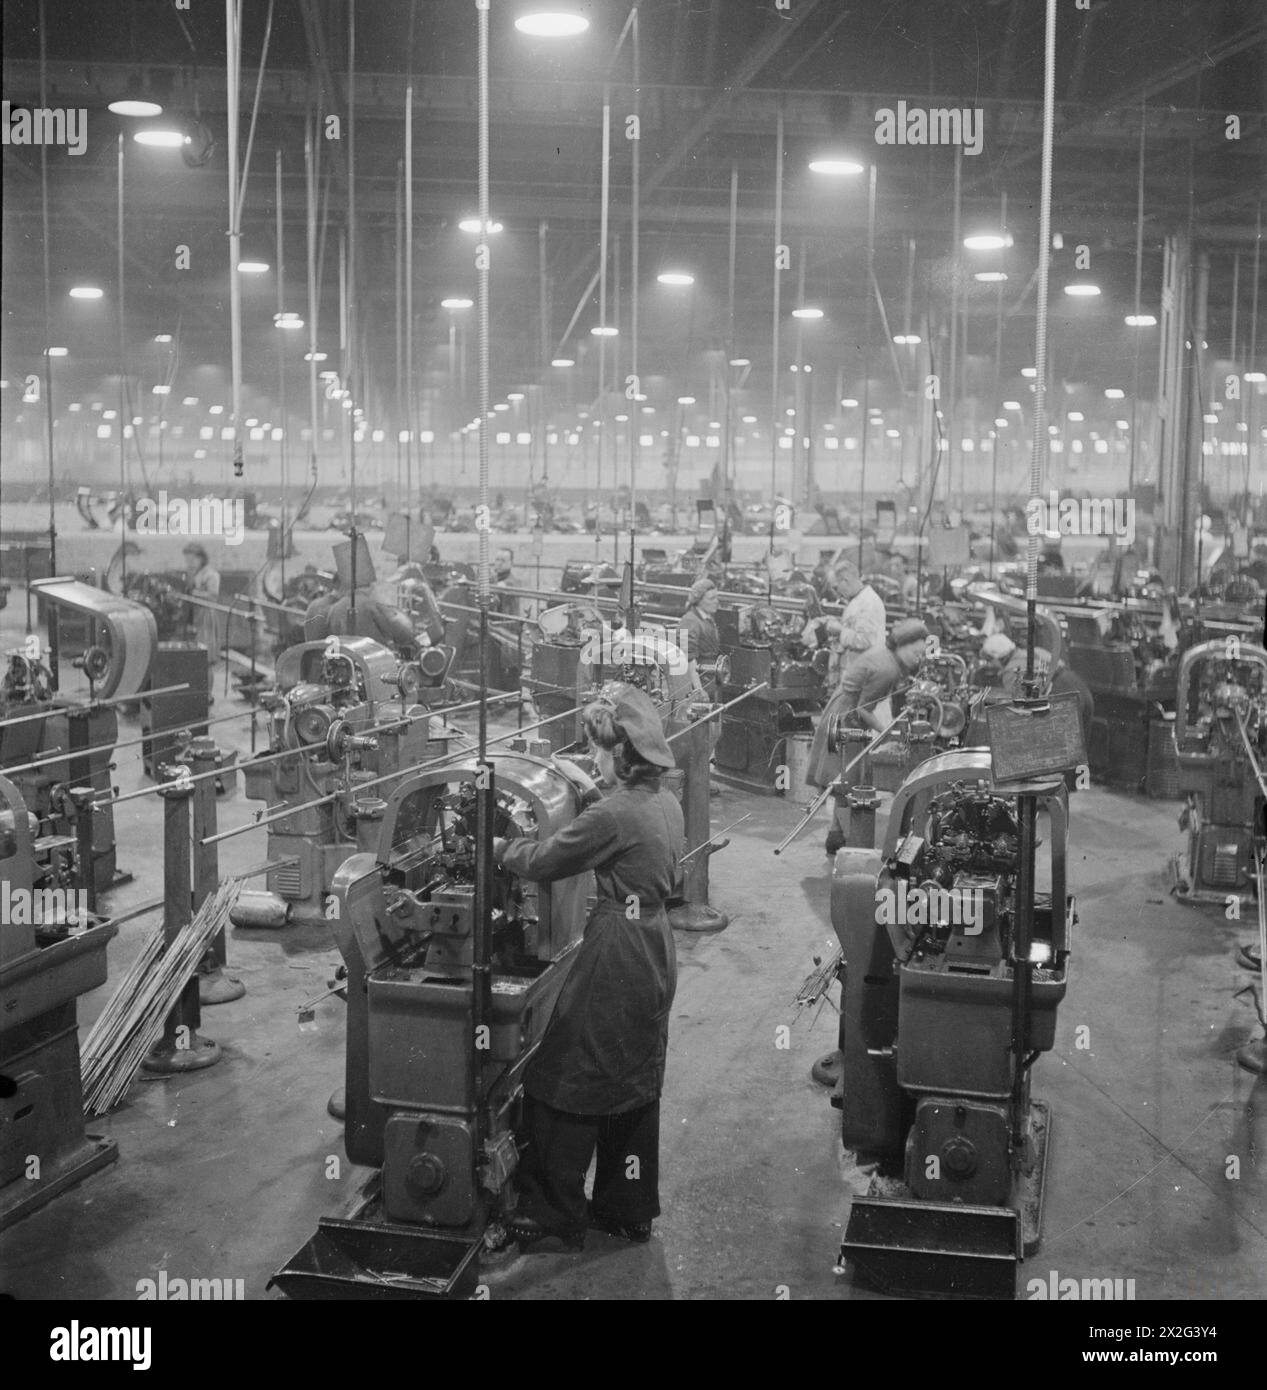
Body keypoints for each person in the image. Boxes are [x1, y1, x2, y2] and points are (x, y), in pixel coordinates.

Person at [494, 685, 684, 1251]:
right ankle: (627, 1208)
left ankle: (556, 1210)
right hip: (654, 944)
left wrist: (502, 844)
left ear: (620, 756)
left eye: (600, 751)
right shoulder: (663, 802)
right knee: (633, 1073)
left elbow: (546, 861)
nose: (594, 758)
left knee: (567, 1069)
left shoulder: (613, 814)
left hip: (617, 949)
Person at [806, 617, 930, 856]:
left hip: (843, 709)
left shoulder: (886, 654)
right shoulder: (887, 668)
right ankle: (841, 838)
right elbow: (863, 708)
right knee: (846, 780)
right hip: (846, 716)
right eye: (916, 653)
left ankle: (836, 835)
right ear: (903, 645)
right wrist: (887, 734)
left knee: (845, 781)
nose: (918, 659)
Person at [832, 560, 887, 675]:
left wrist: (840, 630)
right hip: (855, 670)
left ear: (845, 580)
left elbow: (865, 640)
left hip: (864, 672)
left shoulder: (869, 603)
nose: (838, 592)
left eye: (837, 586)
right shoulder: (858, 600)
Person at [327, 584, 416, 652]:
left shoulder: (334, 608)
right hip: (372, 658)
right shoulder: (370, 604)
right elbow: (395, 630)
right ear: (369, 588)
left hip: (344, 662)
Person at [182, 543, 225, 679]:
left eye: (193, 560)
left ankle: (208, 694)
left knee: (206, 659)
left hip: (206, 616)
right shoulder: (193, 573)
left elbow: (213, 596)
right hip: (195, 615)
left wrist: (194, 593)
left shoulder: (211, 574)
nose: (190, 563)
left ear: (201, 558)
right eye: (188, 560)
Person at [678, 577, 722, 698]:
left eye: (717, 597)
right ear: (698, 601)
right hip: (700, 682)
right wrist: (699, 690)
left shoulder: (706, 618)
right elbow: (688, 659)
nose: (716, 601)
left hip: (711, 678)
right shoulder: (689, 622)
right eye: (711, 598)